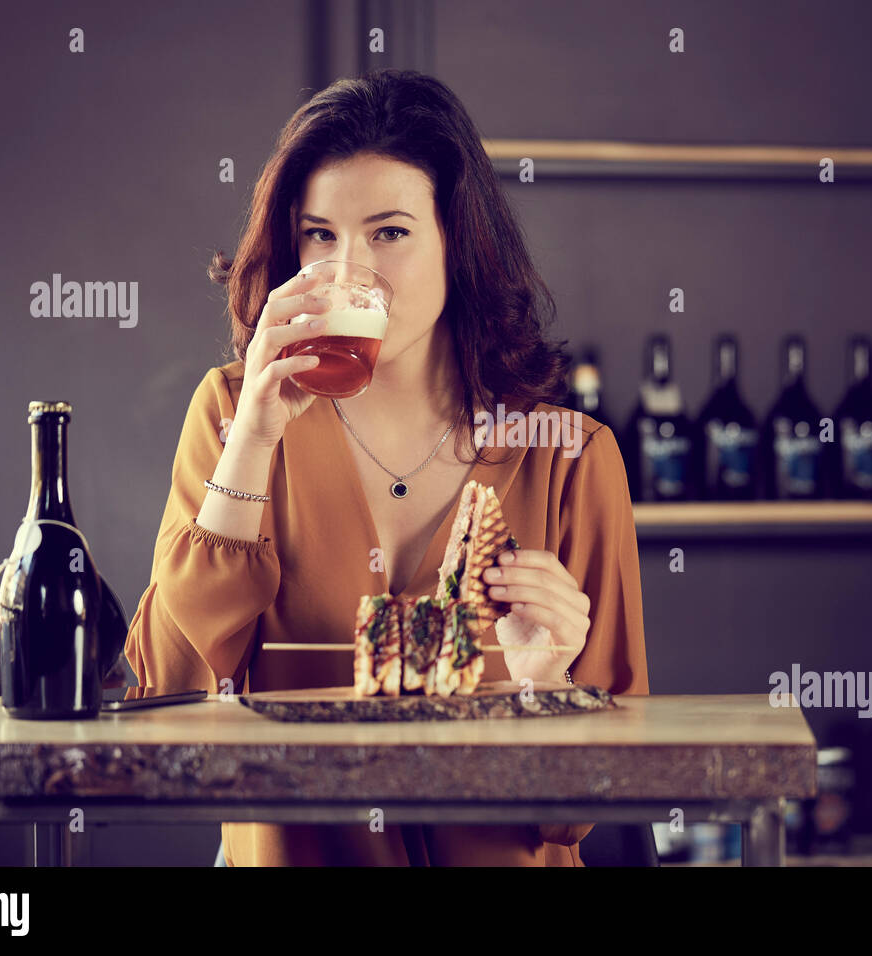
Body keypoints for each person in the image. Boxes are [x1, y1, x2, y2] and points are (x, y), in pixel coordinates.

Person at [124, 69, 648, 866]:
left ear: (458, 244)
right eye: (320, 235)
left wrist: (547, 686)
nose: (347, 271)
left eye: (389, 233)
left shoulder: (570, 457)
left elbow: (583, 812)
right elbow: (168, 699)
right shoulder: (232, 413)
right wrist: (254, 441)